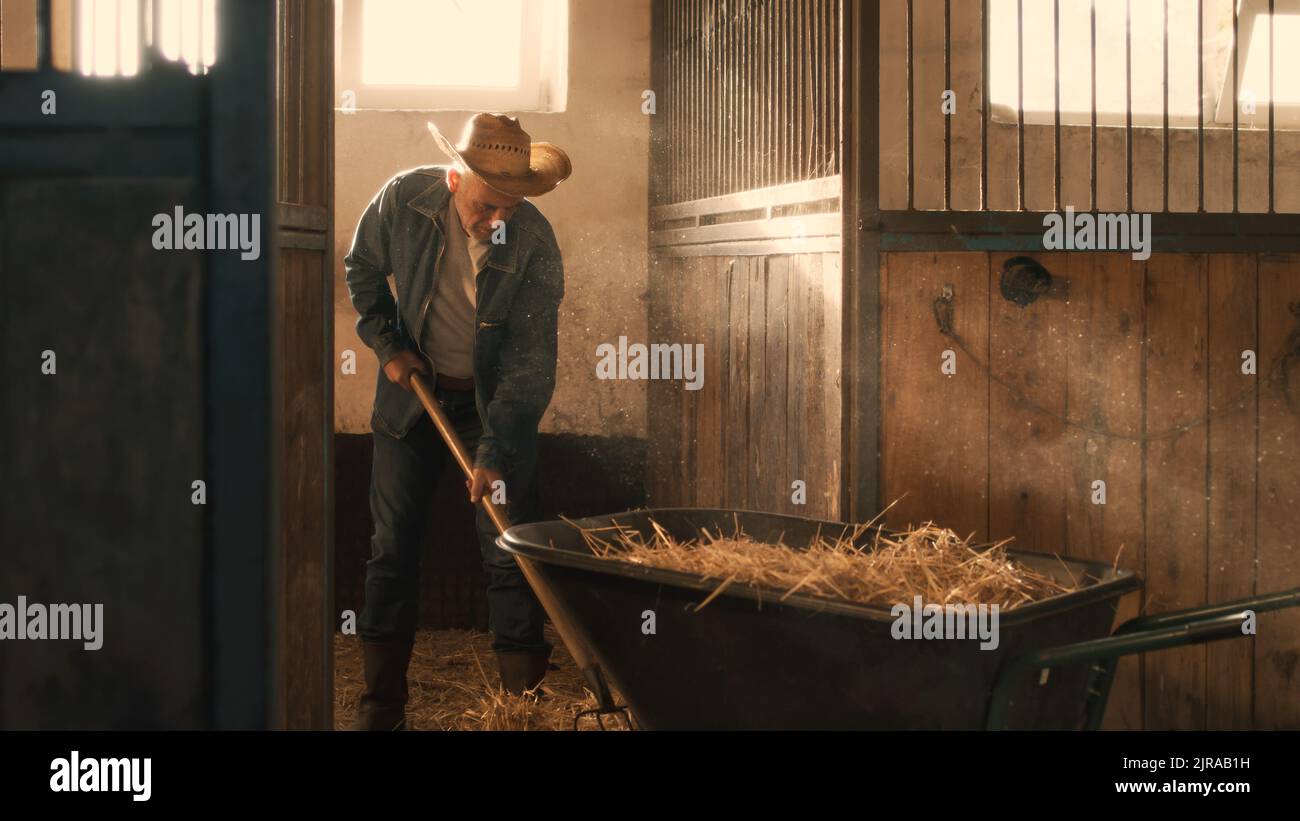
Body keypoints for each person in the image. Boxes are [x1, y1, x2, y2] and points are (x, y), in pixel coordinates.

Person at [343, 113, 572, 730]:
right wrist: (389, 346)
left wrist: (495, 451)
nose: (498, 221)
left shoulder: (533, 241)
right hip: (410, 403)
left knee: (508, 548)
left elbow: (529, 366)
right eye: (487, 205)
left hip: (490, 405)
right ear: (453, 179)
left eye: (510, 208)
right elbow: (361, 270)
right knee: (392, 550)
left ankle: (519, 713)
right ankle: (380, 710)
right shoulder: (402, 200)